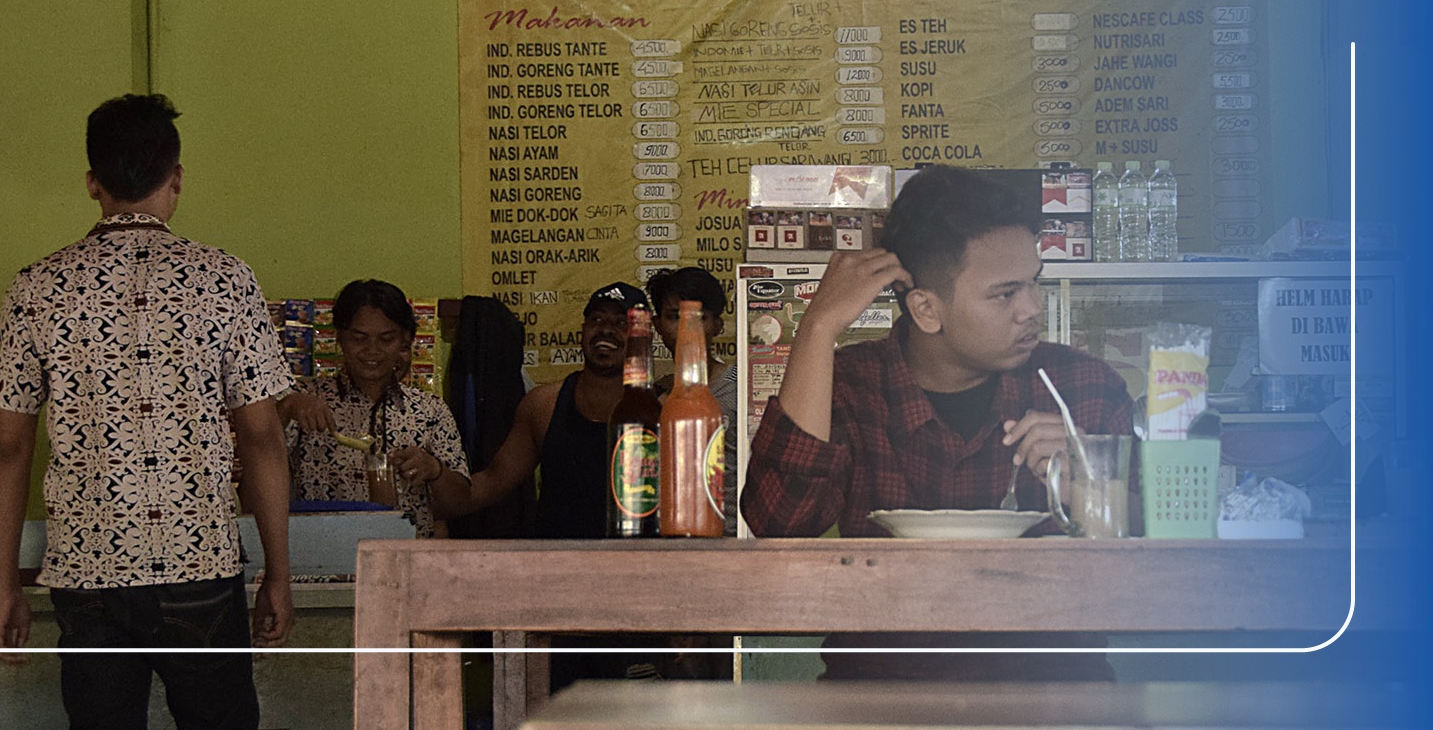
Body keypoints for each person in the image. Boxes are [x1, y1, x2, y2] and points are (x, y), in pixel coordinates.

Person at [740, 164, 1134, 681]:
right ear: (926, 309)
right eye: (1005, 293)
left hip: (1056, 698)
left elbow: (1136, 583)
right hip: (878, 704)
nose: (1031, 310)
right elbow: (778, 527)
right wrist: (818, 327)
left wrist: (1086, 478)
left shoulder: (1081, 387)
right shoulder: (851, 387)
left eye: (1033, 285)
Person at [0, 93, 294, 730]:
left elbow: (8, 450)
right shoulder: (225, 280)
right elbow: (261, 438)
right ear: (175, 178)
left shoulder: (36, 286)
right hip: (201, 567)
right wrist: (277, 573)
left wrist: (6, 584)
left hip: (88, 575)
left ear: (93, 184)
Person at [445, 281, 646, 539]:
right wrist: (434, 486)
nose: (605, 330)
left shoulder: (661, 412)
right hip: (557, 568)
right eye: (596, 319)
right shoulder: (544, 404)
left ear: (643, 337)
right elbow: (490, 482)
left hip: (641, 566)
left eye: (622, 324)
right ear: (582, 330)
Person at [280, 278, 470, 538]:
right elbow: (256, 478)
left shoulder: (429, 411)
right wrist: (284, 409)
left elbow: (460, 504)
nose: (372, 351)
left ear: (404, 341)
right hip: (323, 563)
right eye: (359, 338)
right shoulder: (304, 401)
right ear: (340, 338)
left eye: (386, 338)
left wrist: (434, 470)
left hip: (406, 564)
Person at [645, 266, 738, 536]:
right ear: (658, 325)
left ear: (717, 325)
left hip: (732, 544)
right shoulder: (649, 399)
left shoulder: (741, 387)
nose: (687, 326)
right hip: (669, 542)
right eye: (675, 317)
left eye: (698, 318)